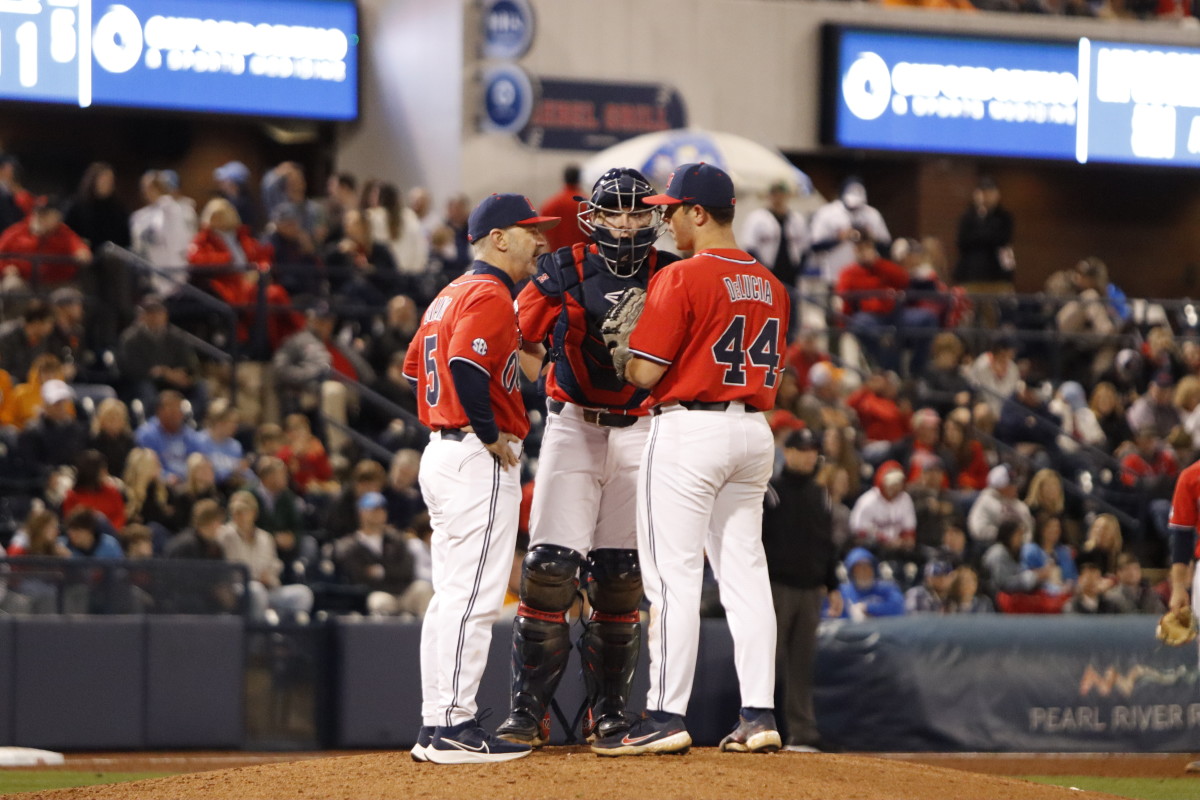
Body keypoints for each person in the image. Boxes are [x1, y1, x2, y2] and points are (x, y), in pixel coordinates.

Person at [591, 163, 789, 757]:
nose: (667, 218)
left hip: (689, 431)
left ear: (700, 212)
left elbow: (645, 371)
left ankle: (664, 714)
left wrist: (623, 351)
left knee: (672, 575)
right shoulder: (773, 284)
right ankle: (759, 714)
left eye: (673, 209)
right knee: (747, 575)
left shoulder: (682, 277)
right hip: (753, 431)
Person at [495, 168, 677, 747]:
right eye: (614, 212)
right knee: (548, 568)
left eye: (636, 212)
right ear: (592, 217)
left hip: (644, 426)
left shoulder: (673, 273)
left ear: (653, 216)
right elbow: (519, 343)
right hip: (574, 421)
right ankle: (528, 711)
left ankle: (611, 713)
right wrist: (544, 359)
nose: (625, 224)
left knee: (621, 578)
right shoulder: (560, 269)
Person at [402, 192, 557, 764]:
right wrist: (489, 430)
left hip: (441, 451)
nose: (539, 240)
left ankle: (433, 721)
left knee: (451, 597)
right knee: (474, 596)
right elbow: (466, 365)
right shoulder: (491, 292)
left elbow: (415, 366)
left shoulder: (449, 294)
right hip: (475, 453)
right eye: (528, 230)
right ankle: (453, 726)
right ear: (498, 238)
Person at [761, 427, 841, 752]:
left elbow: (827, 543)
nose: (809, 455)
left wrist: (832, 584)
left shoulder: (820, 493)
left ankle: (802, 731)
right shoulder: (770, 491)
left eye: (813, 450)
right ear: (788, 451)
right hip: (777, 587)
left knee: (801, 663)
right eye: (803, 449)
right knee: (769, 659)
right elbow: (759, 541)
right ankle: (762, 723)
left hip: (810, 590)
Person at [835, 226, 937, 377]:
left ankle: (917, 370)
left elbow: (903, 280)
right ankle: (888, 372)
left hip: (896, 315)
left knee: (927, 319)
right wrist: (843, 325)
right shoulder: (849, 272)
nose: (863, 250)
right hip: (869, 317)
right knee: (870, 329)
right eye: (859, 247)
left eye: (866, 246)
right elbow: (844, 299)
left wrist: (876, 263)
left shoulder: (884, 266)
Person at [332, 490, 433, 618]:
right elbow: (357, 575)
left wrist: (381, 571)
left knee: (422, 588)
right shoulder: (349, 545)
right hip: (377, 595)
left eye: (381, 509)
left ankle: (430, 636)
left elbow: (407, 569)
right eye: (373, 510)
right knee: (379, 601)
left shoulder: (396, 539)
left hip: (403, 593)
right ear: (361, 512)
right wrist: (389, 571)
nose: (378, 514)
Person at [219, 490, 314, 623]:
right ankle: (260, 638)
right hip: (241, 591)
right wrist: (257, 578)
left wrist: (269, 577)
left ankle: (284, 636)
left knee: (303, 594)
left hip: (268, 588)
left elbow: (275, 565)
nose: (240, 515)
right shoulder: (225, 535)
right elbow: (229, 569)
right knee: (257, 591)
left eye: (245, 511)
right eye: (236, 511)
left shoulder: (266, 537)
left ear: (254, 513)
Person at [954, 176, 1015, 328]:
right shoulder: (968, 217)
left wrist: (982, 230)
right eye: (983, 192)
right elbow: (963, 241)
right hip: (971, 276)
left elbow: (1001, 239)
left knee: (993, 320)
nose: (986, 196)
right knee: (967, 319)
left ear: (997, 195)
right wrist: (982, 221)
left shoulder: (1004, 217)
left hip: (996, 277)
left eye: (990, 192)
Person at [0, 195, 92, 287]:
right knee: (11, 286)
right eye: (38, 213)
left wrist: (82, 253)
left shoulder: (64, 233)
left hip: (55, 284)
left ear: (56, 218)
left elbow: (80, 249)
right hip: (23, 281)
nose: (40, 218)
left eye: (46, 214)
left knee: (70, 295)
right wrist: (5, 267)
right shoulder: (17, 231)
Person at [133, 389, 207, 484]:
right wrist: (166, 476)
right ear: (159, 411)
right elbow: (145, 465)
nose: (176, 413)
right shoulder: (146, 435)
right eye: (171, 409)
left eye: (178, 408)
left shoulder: (190, 435)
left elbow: (199, 461)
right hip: (159, 484)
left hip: (187, 485)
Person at [539, 164, 589, 252]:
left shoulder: (550, 204)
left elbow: (542, 231)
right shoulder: (587, 205)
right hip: (582, 258)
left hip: (556, 259)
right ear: (579, 179)